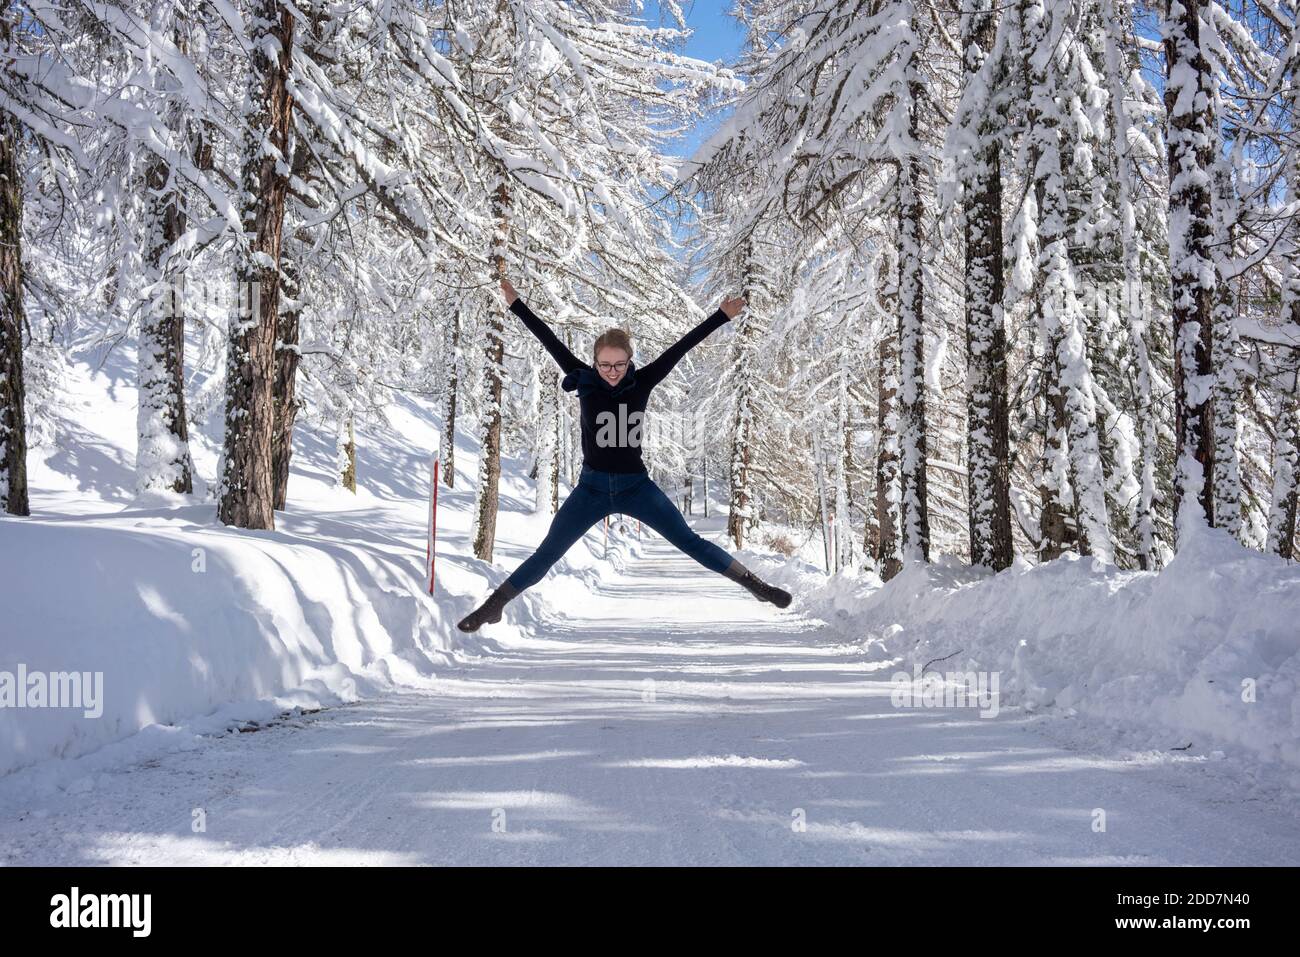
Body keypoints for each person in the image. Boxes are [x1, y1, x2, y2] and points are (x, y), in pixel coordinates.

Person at [456, 277, 792, 632]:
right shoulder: (582, 378)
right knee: (547, 552)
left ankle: (757, 586)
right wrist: (515, 303)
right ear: (595, 362)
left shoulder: (643, 381)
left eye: (618, 365)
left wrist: (720, 316)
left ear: (629, 362)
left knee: (690, 542)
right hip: (591, 490)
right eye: (604, 365)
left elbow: (681, 348)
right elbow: (548, 339)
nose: (612, 372)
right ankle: (496, 605)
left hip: (637, 488)